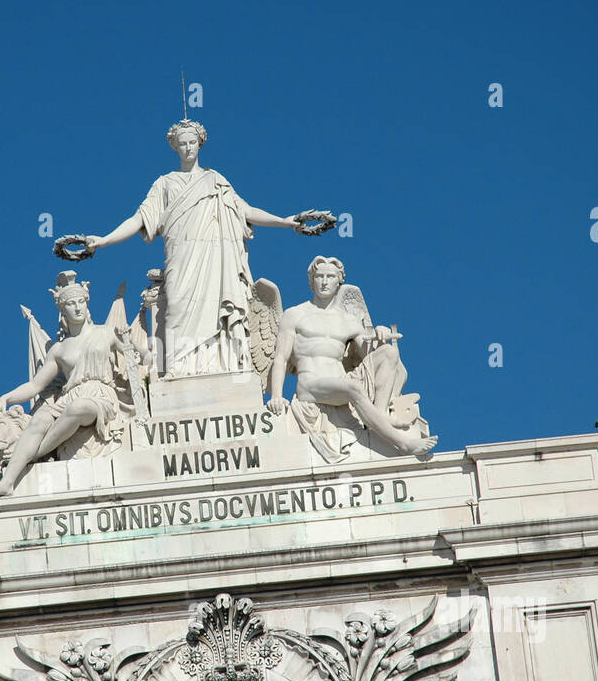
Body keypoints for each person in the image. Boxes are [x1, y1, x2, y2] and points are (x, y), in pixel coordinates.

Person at [85, 119, 303, 376]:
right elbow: (139, 219)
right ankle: (177, 368)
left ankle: (222, 366)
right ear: (175, 147)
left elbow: (247, 211)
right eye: (182, 144)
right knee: (176, 308)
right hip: (181, 258)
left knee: (217, 305)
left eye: (192, 142)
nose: (188, 148)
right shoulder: (165, 184)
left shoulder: (216, 181)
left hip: (215, 259)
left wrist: (284, 222)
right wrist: (104, 240)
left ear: (200, 144)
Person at [266, 256, 436, 456]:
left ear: (339, 281)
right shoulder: (295, 314)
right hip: (310, 384)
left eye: (330, 277)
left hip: (341, 381)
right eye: (319, 276)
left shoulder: (349, 320)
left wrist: (380, 336)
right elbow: (281, 358)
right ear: (312, 280)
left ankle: (379, 414)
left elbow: (370, 356)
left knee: (389, 353)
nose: (324, 281)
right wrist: (276, 396)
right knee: (353, 387)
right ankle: (403, 443)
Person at [0, 272, 130, 497]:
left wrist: (141, 350)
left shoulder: (105, 333)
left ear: (87, 303)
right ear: (63, 310)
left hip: (99, 395)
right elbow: (35, 386)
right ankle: (8, 482)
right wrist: (6, 398)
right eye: (71, 304)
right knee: (40, 418)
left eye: (81, 302)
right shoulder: (59, 350)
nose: (77, 308)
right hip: (70, 396)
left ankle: (32, 455)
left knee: (78, 408)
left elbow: (135, 354)